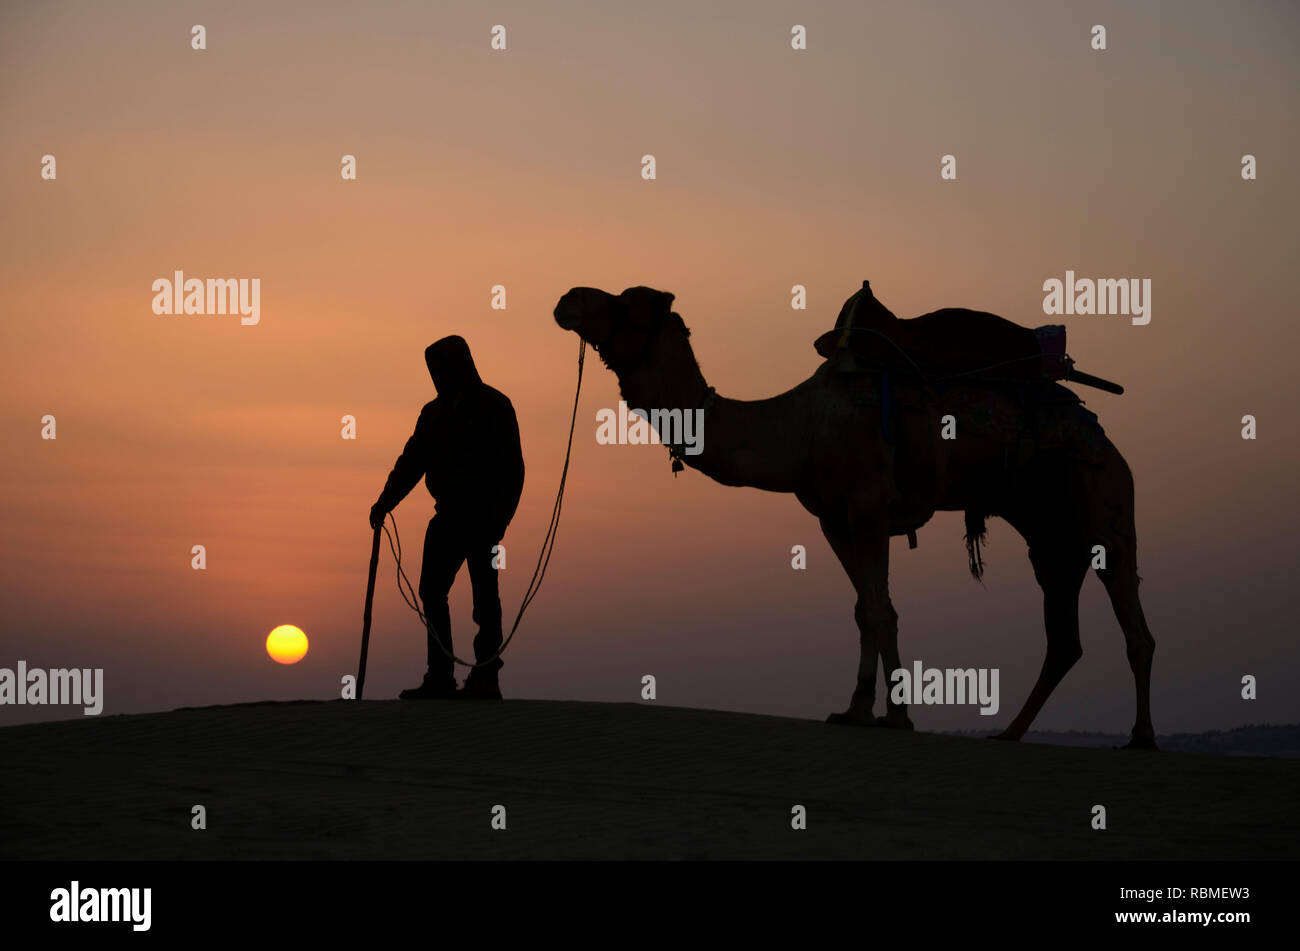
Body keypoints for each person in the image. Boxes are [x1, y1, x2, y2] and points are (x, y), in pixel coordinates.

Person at [370, 335, 524, 700]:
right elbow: (412, 463)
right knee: (431, 591)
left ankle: (486, 678)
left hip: (484, 518)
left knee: (484, 598)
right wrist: (384, 503)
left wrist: (500, 518)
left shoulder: (495, 406)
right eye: (432, 370)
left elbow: (512, 469)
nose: (436, 376)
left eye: (440, 368)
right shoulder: (433, 413)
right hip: (447, 517)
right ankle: (440, 676)